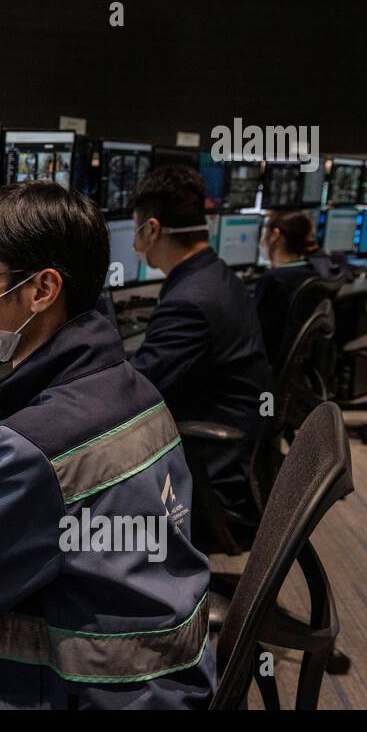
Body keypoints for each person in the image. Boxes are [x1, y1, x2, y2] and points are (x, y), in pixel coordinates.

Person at [0, 181, 214, 710]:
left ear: (42, 290)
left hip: (102, 696)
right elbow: (61, 497)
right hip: (170, 674)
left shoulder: (42, 445)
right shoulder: (126, 385)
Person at [129, 165, 272, 504]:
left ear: (151, 230)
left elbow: (136, 392)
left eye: (135, 229)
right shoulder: (213, 274)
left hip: (217, 462)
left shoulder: (189, 302)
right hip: (241, 440)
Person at [254, 209, 322, 365]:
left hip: (267, 364)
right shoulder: (312, 272)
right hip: (293, 364)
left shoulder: (273, 280)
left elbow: (257, 334)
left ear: (275, 235)